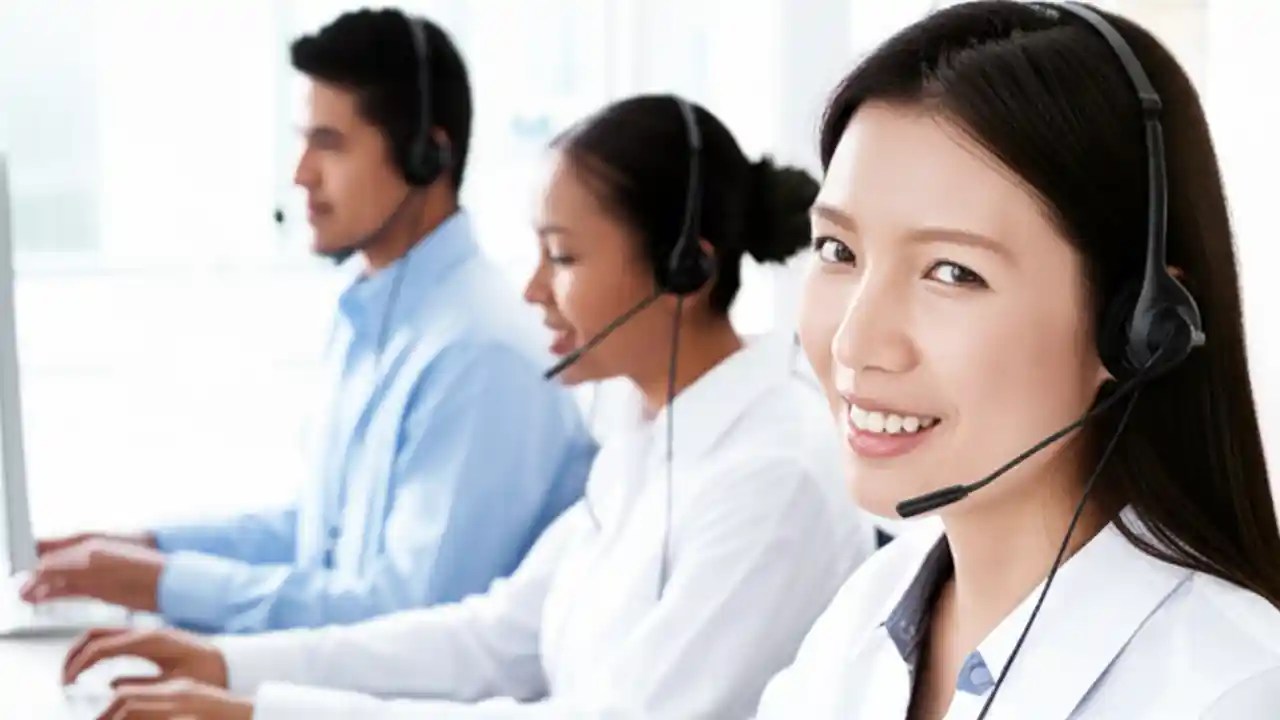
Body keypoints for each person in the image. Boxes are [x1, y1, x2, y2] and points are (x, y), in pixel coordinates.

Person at [60, 94, 876, 720]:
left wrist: (264, 709)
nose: (530, 291)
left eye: (561, 256)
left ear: (682, 270)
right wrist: (231, 667)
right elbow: (492, 640)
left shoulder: (771, 481)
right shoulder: (645, 433)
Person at [754, 2, 1280, 718]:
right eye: (839, 252)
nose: (854, 342)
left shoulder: (1232, 691)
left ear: (1140, 328)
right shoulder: (866, 616)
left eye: (951, 272)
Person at [21, 9, 595, 634]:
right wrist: (143, 548)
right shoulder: (374, 315)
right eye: (302, 141)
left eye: (330, 145)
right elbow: (319, 538)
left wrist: (158, 584)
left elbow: (405, 617)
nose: (300, 175)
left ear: (426, 155)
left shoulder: (481, 356)